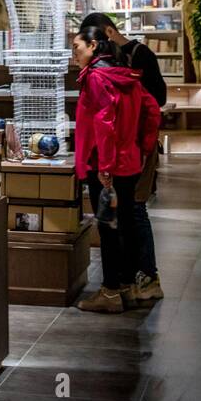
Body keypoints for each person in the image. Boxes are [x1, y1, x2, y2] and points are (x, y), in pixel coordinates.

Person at [71, 26, 163, 313]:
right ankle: (126, 286)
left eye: (78, 47)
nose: (74, 53)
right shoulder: (125, 74)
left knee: (108, 227)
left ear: (94, 45)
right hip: (129, 162)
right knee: (124, 224)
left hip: (106, 164)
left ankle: (110, 292)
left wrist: (106, 167)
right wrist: (143, 148)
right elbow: (151, 109)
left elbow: (104, 122)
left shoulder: (97, 76)